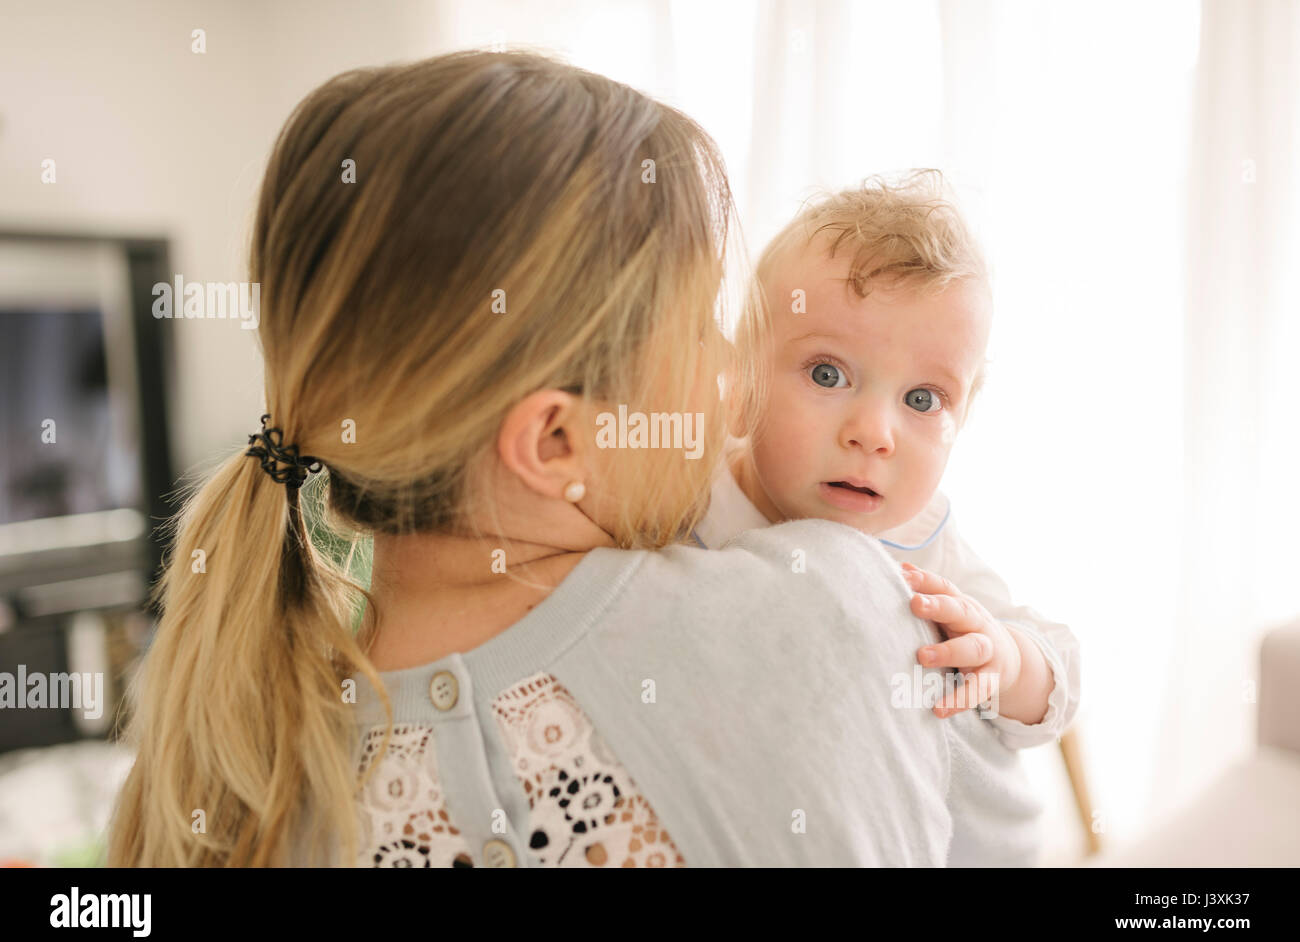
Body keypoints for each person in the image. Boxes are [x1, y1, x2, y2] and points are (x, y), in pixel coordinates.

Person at [108, 50, 1039, 867]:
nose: (732, 374)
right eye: (705, 323)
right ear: (557, 443)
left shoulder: (242, 780)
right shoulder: (831, 606)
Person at [697, 171, 1081, 754]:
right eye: (828, 375)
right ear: (742, 385)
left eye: (922, 400)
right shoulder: (690, 498)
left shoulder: (925, 542)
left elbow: (1060, 679)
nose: (875, 435)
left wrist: (1005, 658)